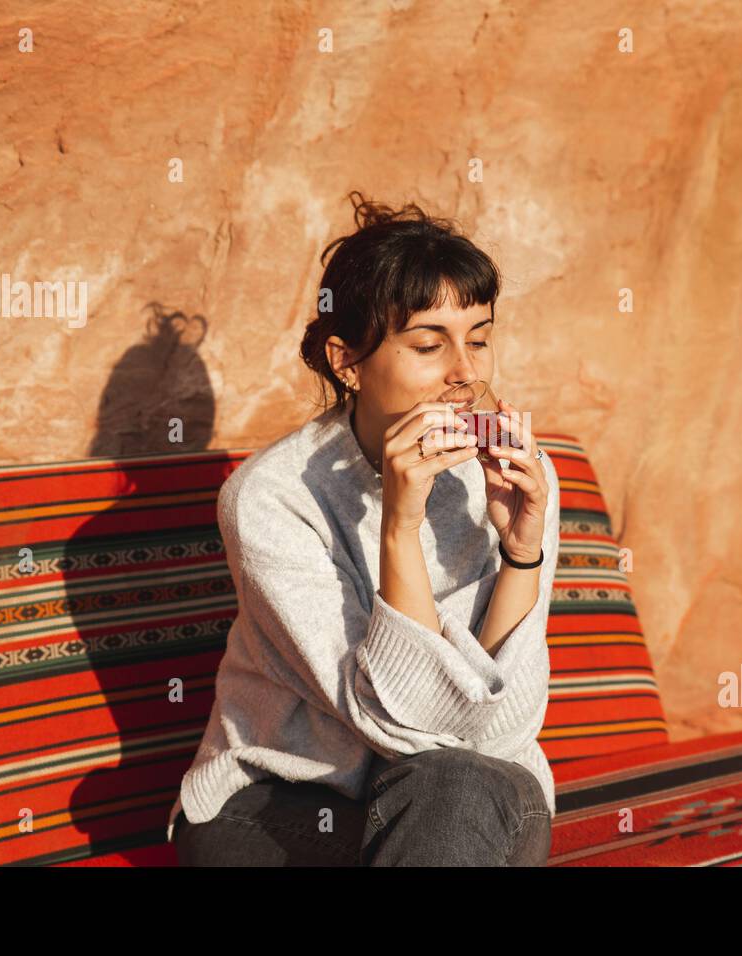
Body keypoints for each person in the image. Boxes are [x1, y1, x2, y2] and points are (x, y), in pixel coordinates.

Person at [168, 191, 561, 866]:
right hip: (284, 800)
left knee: (463, 787)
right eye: (428, 344)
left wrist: (522, 554)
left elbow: (509, 726)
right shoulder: (270, 498)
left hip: (471, 788)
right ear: (346, 361)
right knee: (456, 796)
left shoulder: (511, 473)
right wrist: (399, 528)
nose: (466, 372)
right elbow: (393, 725)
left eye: (480, 338)